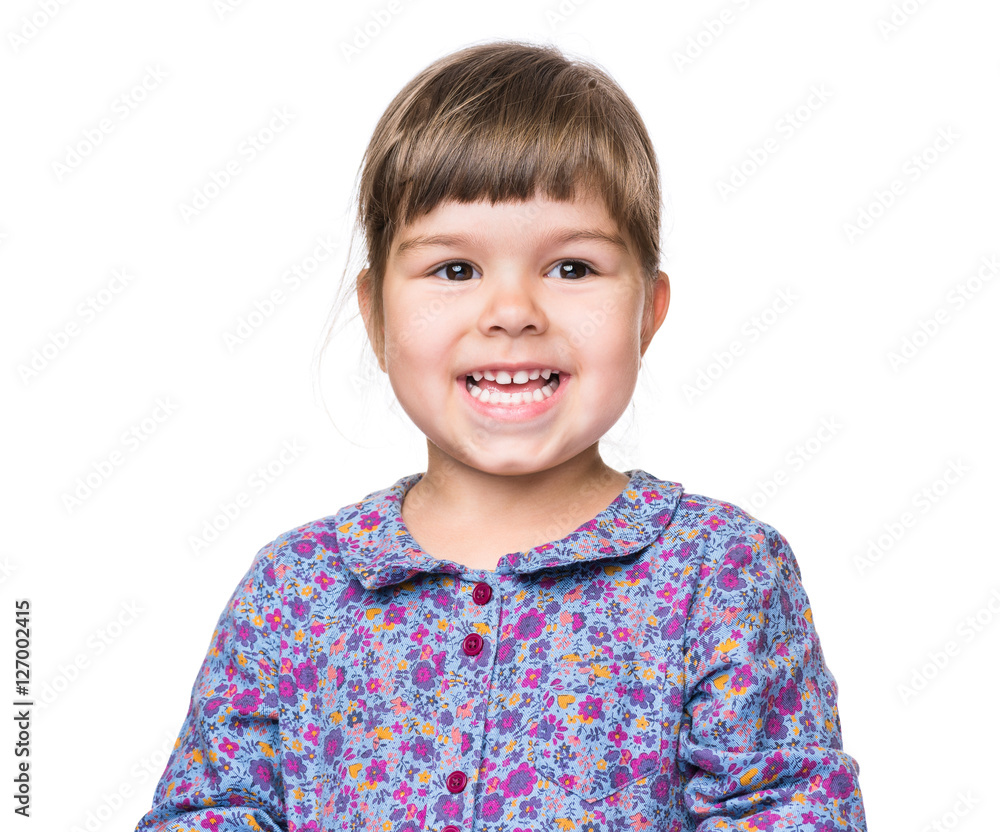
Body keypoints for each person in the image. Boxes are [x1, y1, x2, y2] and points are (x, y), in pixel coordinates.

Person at [135, 39, 867, 832]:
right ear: (375, 314)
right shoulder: (295, 591)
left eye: (572, 268)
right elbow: (209, 813)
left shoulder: (719, 576)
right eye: (455, 270)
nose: (512, 310)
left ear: (647, 313)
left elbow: (788, 811)